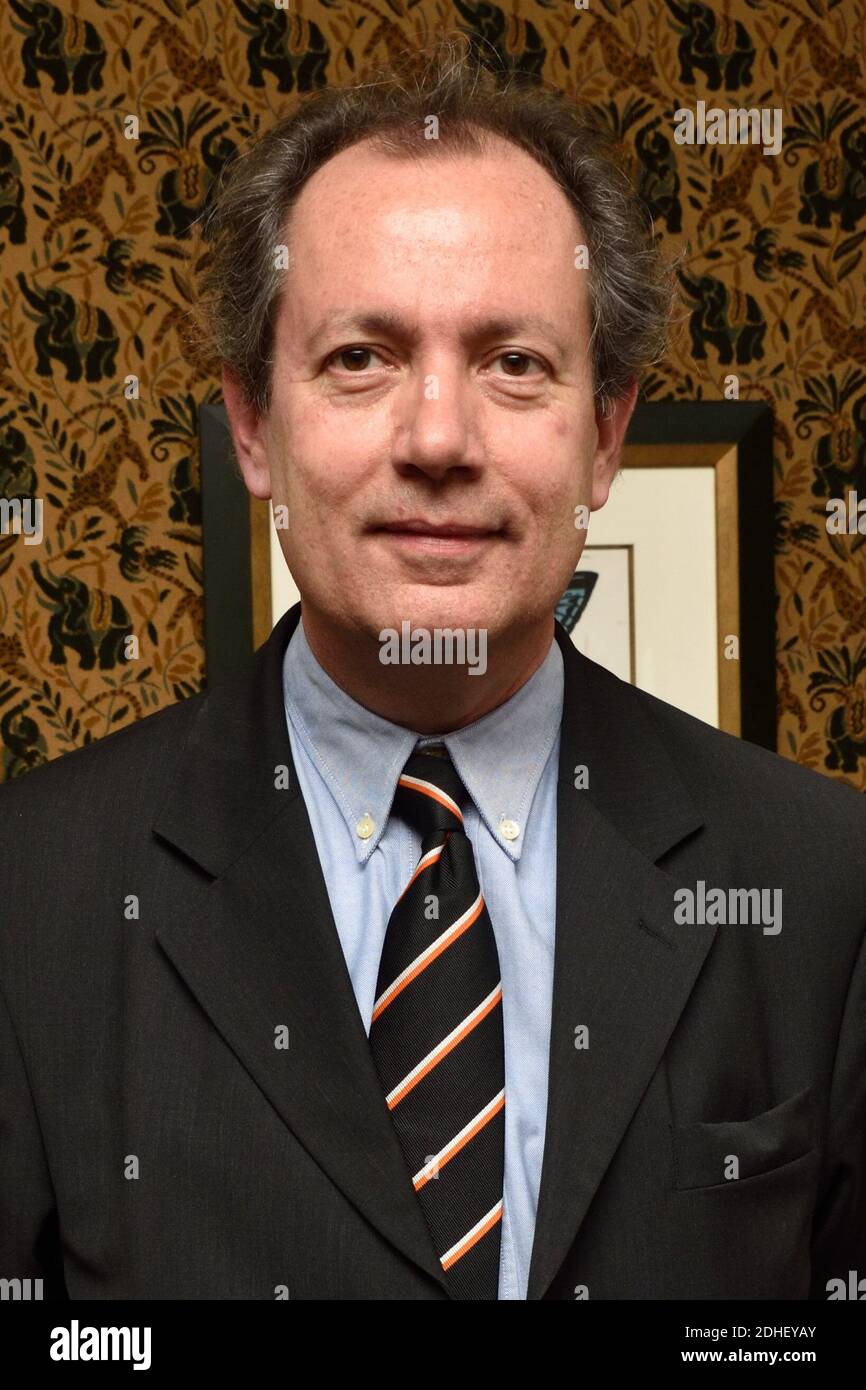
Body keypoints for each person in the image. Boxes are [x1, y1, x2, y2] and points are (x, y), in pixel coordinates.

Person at [1, 38, 864, 1302]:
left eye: (514, 362)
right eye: (361, 357)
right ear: (251, 424)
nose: (440, 438)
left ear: (605, 434)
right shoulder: (32, 895)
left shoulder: (818, 880)